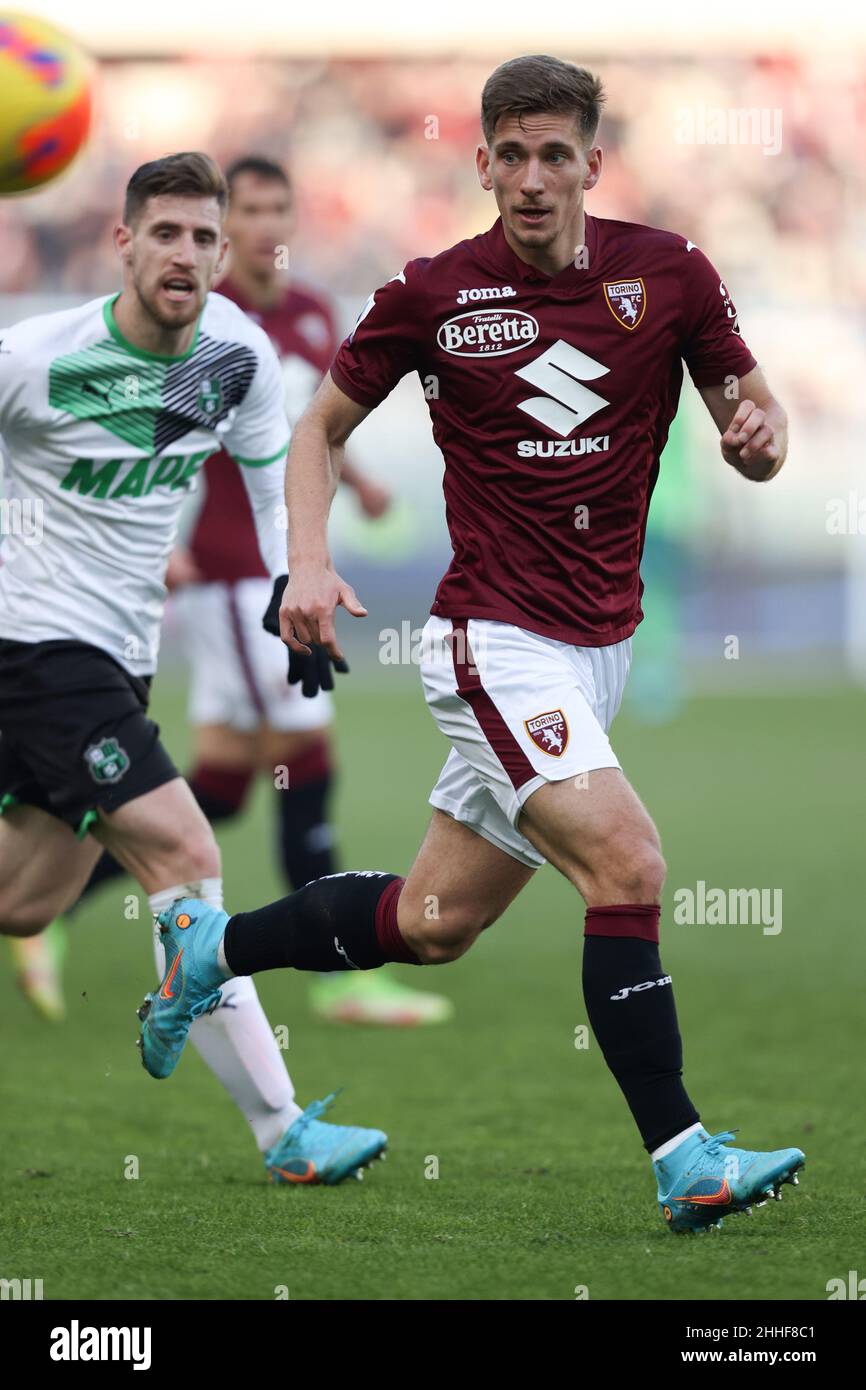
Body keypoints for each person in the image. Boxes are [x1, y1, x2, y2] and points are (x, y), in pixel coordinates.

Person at [138, 60, 805, 1232]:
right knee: (628, 867)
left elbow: (755, 426)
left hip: (593, 649)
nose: (533, 177)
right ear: (481, 162)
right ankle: (683, 1155)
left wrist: (758, 438)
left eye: (557, 154)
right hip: (490, 639)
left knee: (432, 925)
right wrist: (306, 557)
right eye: (511, 153)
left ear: (592, 165)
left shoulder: (672, 273)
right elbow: (318, 427)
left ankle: (213, 946)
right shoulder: (432, 292)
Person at [0, 151, 386, 1186]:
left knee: (25, 900)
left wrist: (292, 582)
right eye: (163, 232)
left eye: (202, 236)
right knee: (184, 853)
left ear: (224, 253)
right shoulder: (33, 358)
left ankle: (277, 1122)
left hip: (120, 662)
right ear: (122, 241)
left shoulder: (239, 359)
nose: (184, 252)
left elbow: (273, 487)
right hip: (33, 652)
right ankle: (283, 1131)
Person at [53, 155, 452, 1029]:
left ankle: (49, 890)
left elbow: (309, 428)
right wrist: (164, 546)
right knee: (304, 756)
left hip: (285, 566)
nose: (268, 226)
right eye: (252, 209)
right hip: (234, 581)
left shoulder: (311, 314)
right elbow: (153, 441)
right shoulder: (202, 326)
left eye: (279, 208)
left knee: (225, 789)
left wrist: (367, 479)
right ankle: (338, 971)